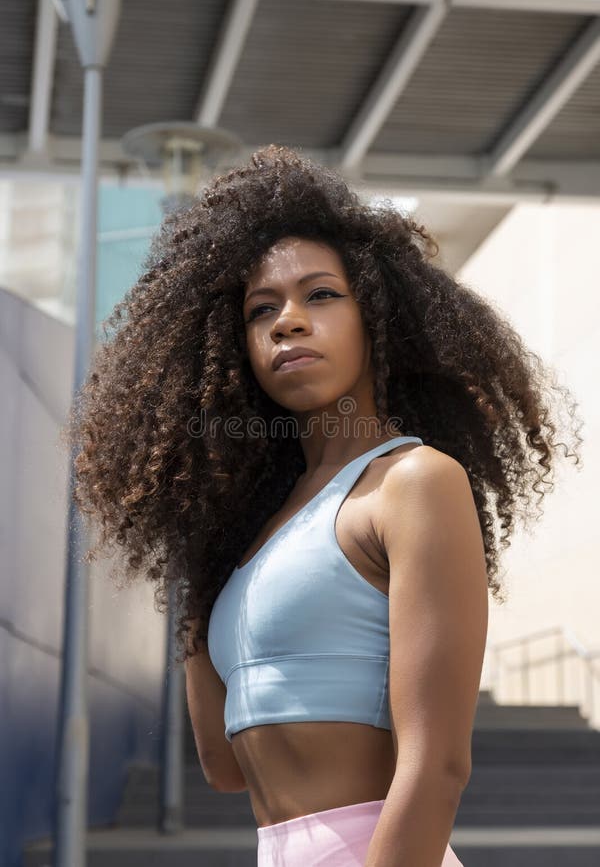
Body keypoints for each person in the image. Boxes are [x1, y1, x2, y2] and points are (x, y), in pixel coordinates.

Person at [64, 144, 582, 866]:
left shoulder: (413, 483)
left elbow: (436, 767)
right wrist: (195, 540)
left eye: (321, 295)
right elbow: (223, 765)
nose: (288, 322)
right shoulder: (252, 533)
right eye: (261, 309)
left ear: (379, 316)